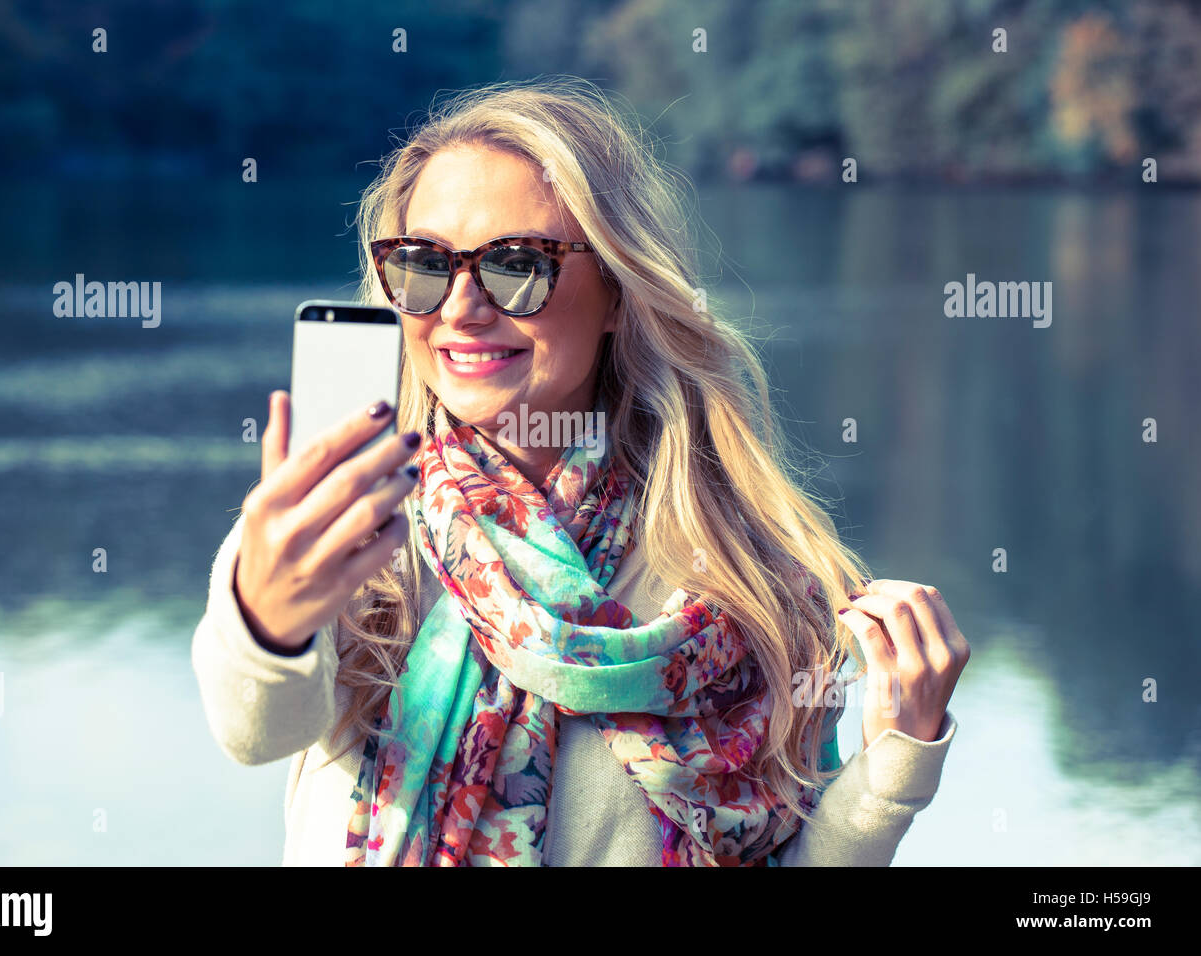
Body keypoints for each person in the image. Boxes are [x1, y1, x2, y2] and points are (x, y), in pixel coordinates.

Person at [191, 76, 968, 866]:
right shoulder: (342, 528)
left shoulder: (743, 579)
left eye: (518, 265)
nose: (460, 307)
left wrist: (895, 766)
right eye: (424, 265)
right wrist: (268, 619)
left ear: (617, 293)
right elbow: (257, 731)